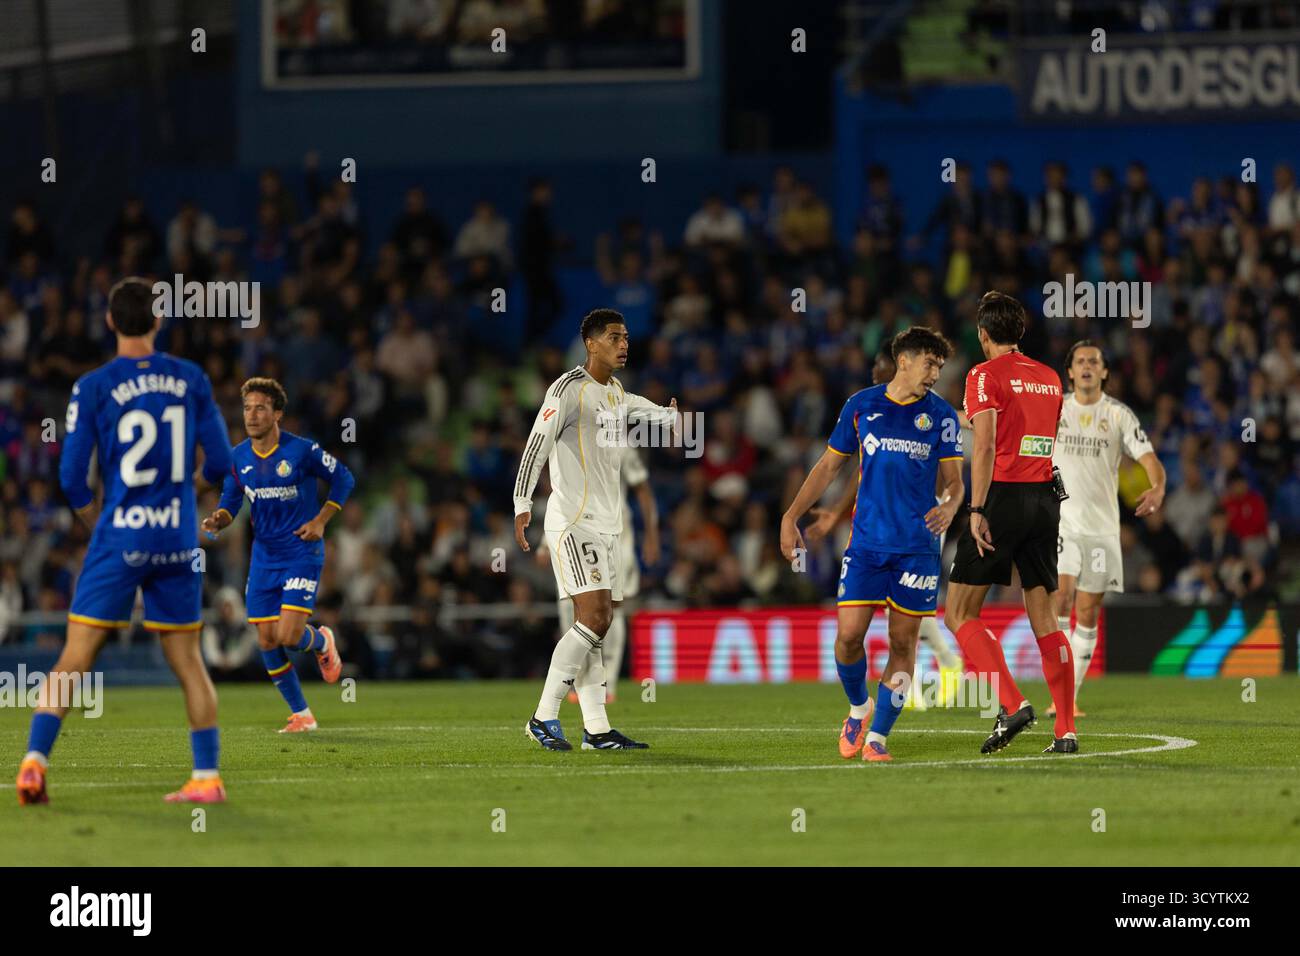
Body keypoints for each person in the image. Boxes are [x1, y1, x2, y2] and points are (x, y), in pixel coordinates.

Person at [17, 277, 233, 805]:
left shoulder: (92, 386)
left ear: (110, 322)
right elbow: (224, 464)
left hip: (120, 535)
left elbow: (70, 479)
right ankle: (206, 778)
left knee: (74, 658)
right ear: (158, 322)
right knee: (188, 661)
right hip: (180, 541)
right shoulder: (192, 378)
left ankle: (34, 764)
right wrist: (183, 490)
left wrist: (101, 526)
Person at [781, 327, 964, 762]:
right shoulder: (861, 406)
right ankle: (859, 708)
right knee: (847, 638)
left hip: (917, 547)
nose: (935, 373)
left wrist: (953, 506)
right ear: (904, 360)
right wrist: (790, 516)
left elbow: (956, 482)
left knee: (904, 645)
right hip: (866, 546)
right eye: (929, 363)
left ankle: (878, 737)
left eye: (939, 366)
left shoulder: (941, 416)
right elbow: (828, 468)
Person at [513, 309, 677, 751]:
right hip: (574, 522)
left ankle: (597, 729)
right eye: (613, 337)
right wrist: (522, 502)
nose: (623, 344)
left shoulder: (614, 392)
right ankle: (543, 716)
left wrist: (664, 415)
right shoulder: (567, 389)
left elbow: (633, 405)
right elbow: (536, 442)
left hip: (608, 528)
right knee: (597, 619)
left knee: (597, 625)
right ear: (590, 343)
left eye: (625, 337)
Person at [943, 291, 1078, 755]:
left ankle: (1013, 703)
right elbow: (1033, 433)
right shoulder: (1048, 377)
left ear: (983, 335)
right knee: (1045, 617)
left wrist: (977, 510)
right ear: (1019, 333)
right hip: (1044, 500)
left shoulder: (982, 374)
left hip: (1001, 497)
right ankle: (1065, 730)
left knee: (959, 612)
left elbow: (984, 446)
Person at [201, 377, 353, 733]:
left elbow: (344, 478)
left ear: (277, 413)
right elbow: (230, 500)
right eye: (247, 408)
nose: (252, 415)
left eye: (261, 408)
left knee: (287, 635)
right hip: (264, 557)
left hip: (301, 550)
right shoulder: (237, 457)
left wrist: (321, 520)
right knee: (266, 639)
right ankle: (302, 714)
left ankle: (322, 640)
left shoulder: (302, 451)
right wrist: (219, 520)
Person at [1051, 340, 1165, 718]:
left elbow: (1148, 457)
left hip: (1101, 531)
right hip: (1062, 523)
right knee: (1061, 598)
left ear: (1104, 372)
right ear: (1069, 371)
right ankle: (1060, 690)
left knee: (1087, 612)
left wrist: (1158, 486)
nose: (1086, 366)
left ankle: (1069, 697)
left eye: (1093, 362)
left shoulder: (1118, 415)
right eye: (1079, 360)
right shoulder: (1055, 409)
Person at [556, 446, 658, 705]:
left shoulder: (621, 446)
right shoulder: (571, 441)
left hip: (617, 534)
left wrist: (651, 535)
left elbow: (642, 489)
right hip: (580, 530)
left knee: (615, 606)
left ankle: (608, 682)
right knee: (575, 604)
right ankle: (577, 680)